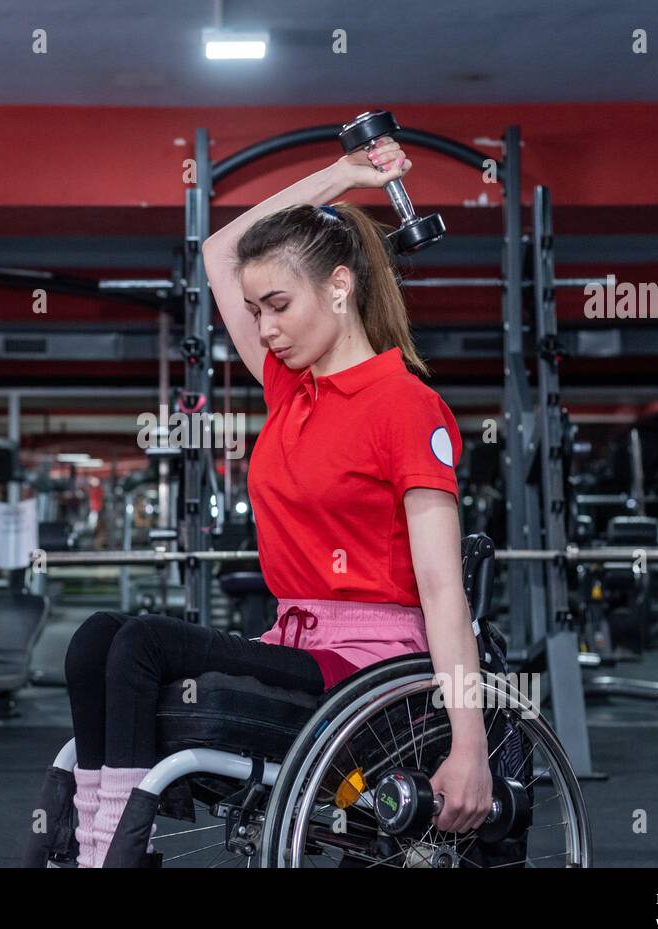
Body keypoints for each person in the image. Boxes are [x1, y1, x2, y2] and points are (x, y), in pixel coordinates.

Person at [59, 135, 492, 868]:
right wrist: (343, 176)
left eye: (278, 305)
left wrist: (470, 743)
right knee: (95, 638)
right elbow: (220, 250)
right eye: (256, 309)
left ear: (340, 287)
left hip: (370, 667)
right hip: (294, 643)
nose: (262, 328)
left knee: (140, 645)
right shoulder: (293, 390)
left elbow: (445, 592)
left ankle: (113, 855)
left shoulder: (406, 406)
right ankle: (99, 845)